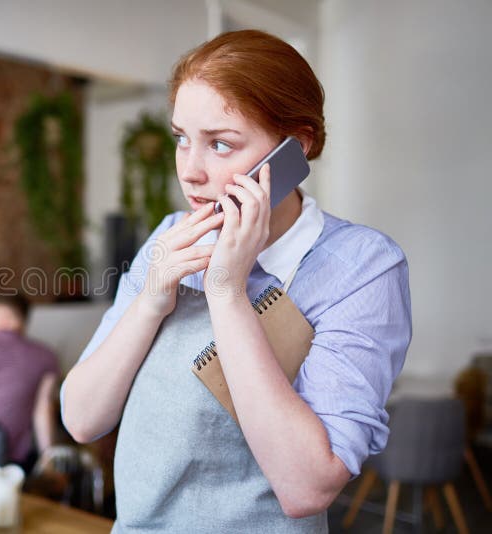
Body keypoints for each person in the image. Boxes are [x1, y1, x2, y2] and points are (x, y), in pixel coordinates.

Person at [61, 30, 411, 532]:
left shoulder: (361, 268)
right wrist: (150, 301)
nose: (191, 173)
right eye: (182, 138)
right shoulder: (169, 237)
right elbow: (81, 419)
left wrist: (227, 292)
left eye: (221, 144)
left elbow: (308, 488)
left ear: (297, 147)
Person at [0, 293, 59, 472]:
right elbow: (43, 410)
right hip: (15, 453)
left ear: (7, 319)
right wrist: (48, 457)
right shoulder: (46, 356)